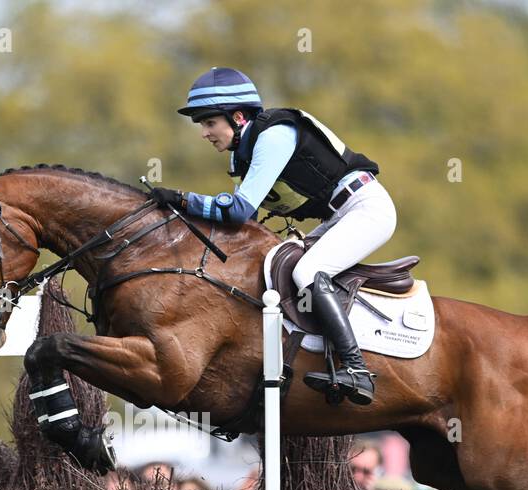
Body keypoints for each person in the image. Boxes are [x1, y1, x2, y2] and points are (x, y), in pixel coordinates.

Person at [154, 67, 394, 406]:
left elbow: (237, 211)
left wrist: (183, 200)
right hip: (340, 215)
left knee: (306, 273)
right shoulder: (244, 153)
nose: (204, 133)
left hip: (366, 209)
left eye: (209, 123)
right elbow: (244, 224)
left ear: (237, 117)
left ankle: (357, 370)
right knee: (270, 267)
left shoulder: (274, 135)